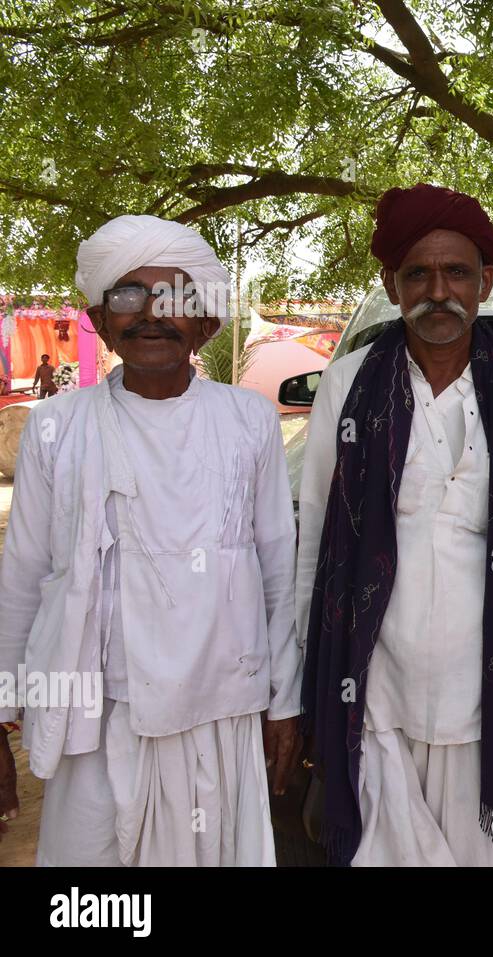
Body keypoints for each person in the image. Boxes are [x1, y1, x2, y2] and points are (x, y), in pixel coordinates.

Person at [0, 215, 300, 865]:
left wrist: (286, 701)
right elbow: (24, 570)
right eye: (128, 297)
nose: (152, 315)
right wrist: (4, 702)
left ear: (205, 323)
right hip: (97, 714)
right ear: (101, 321)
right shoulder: (57, 425)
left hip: (218, 710)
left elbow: (278, 564)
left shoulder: (247, 419)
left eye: (175, 298)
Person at [296, 184, 493, 866]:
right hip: (377, 689)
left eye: (457, 273)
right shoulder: (349, 381)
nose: (437, 290)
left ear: (485, 282)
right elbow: (318, 540)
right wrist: (314, 683)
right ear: (392, 283)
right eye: (418, 272)